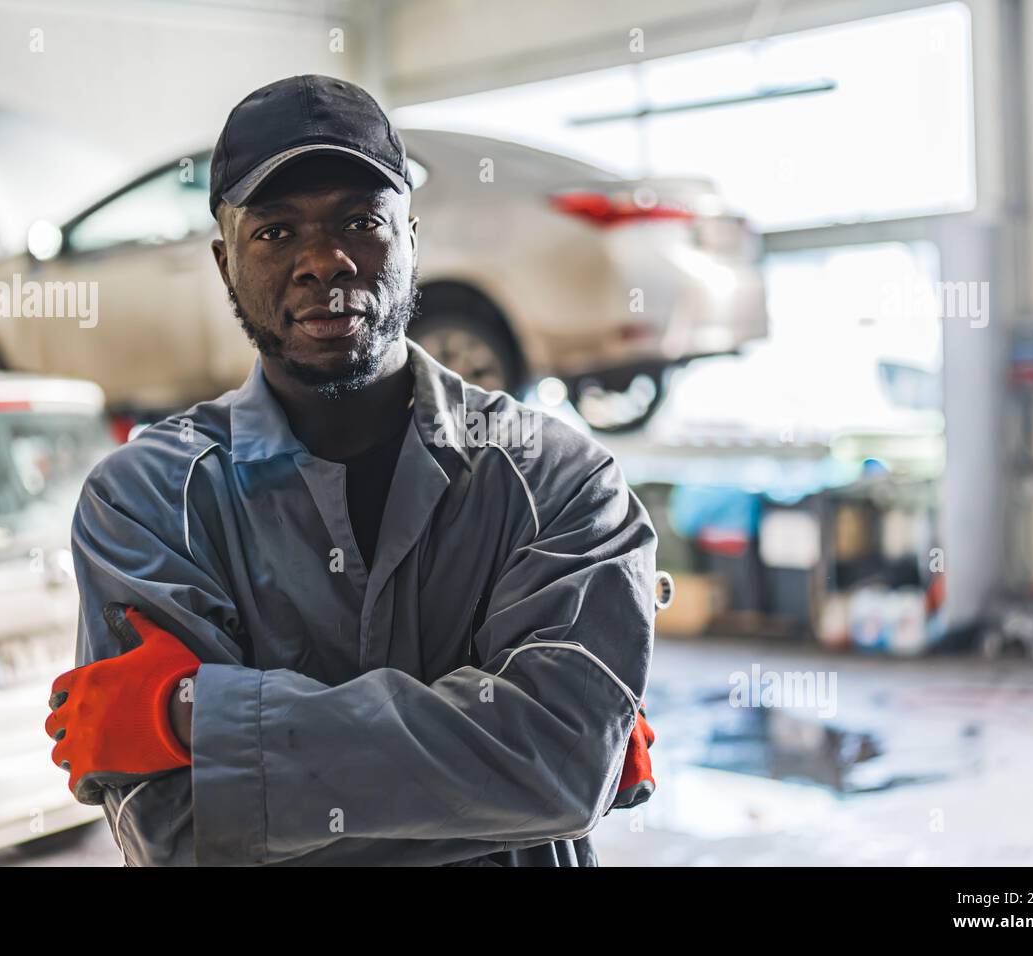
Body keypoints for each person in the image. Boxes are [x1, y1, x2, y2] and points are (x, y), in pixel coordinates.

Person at [45, 74, 657, 866]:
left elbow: (566, 764)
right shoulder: (147, 501)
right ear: (224, 263)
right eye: (273, 232)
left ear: (412, 241)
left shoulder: (559, 480)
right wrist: (503, 778)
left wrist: (200, 720)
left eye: (361, 221)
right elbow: (178, 835)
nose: (323, 261)